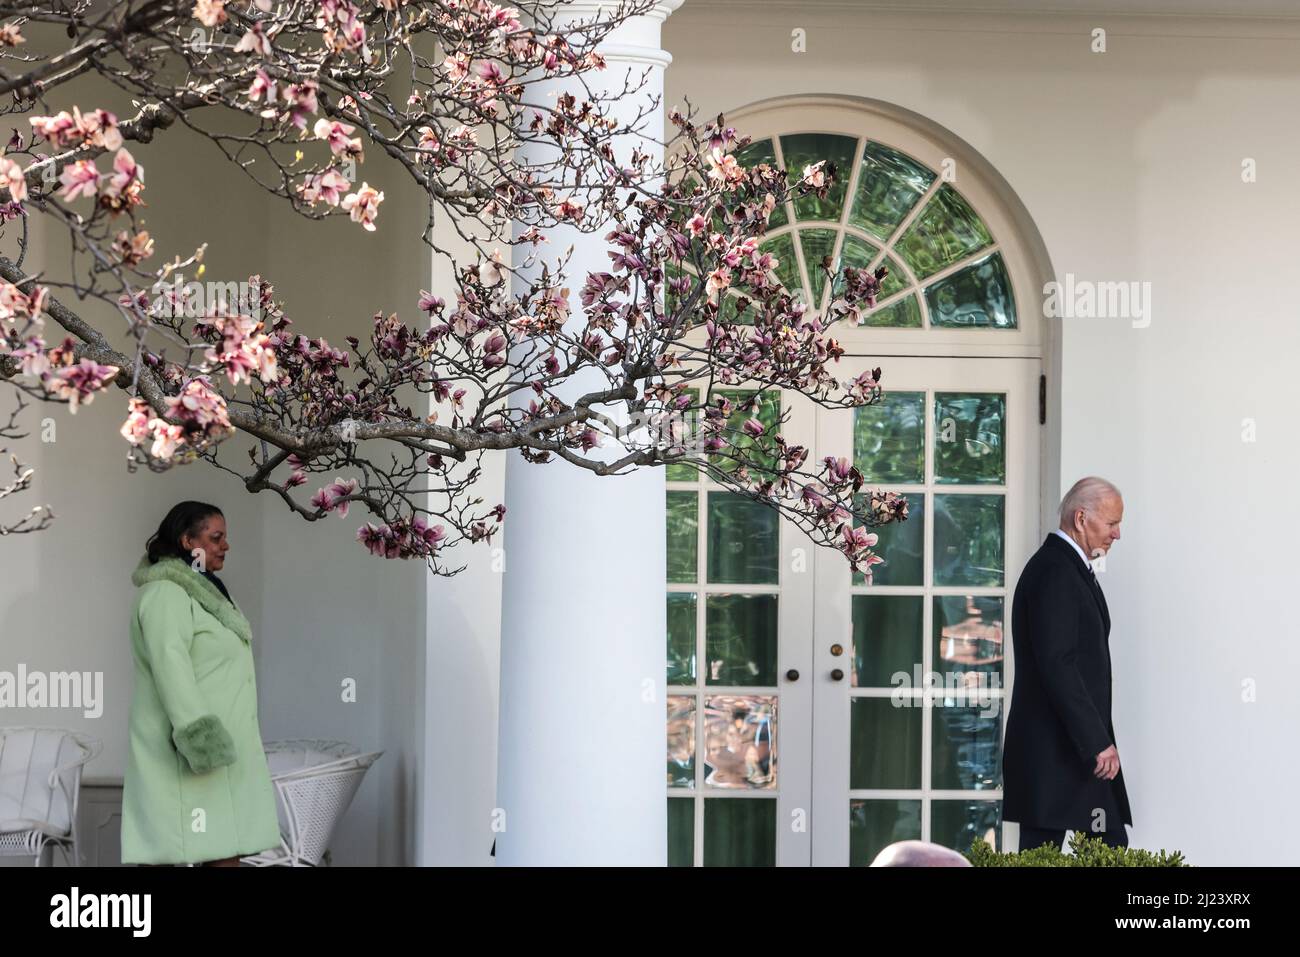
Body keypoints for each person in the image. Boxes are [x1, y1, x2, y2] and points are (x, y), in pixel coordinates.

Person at [121, 501, 280, 866]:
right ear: (186, 540)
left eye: (225, 538)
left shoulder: (209, 593)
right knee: (193, 847)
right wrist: (199, 738)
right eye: (215, 537)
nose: (225, 545)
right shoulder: (165, 594)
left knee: (225, 848)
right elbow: (170, 669)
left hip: (224, 753)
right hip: (190, 751)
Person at [1002, 476, 1132, 852]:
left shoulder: (1065, 567)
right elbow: (1057, 664)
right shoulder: (1056, 572)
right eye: (1111, 524)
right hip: (1058, 751)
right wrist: (1097, 742)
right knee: (1052, 853)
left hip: (1071, 749)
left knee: (1103, 847)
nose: (1117, 534)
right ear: (1080, 519)